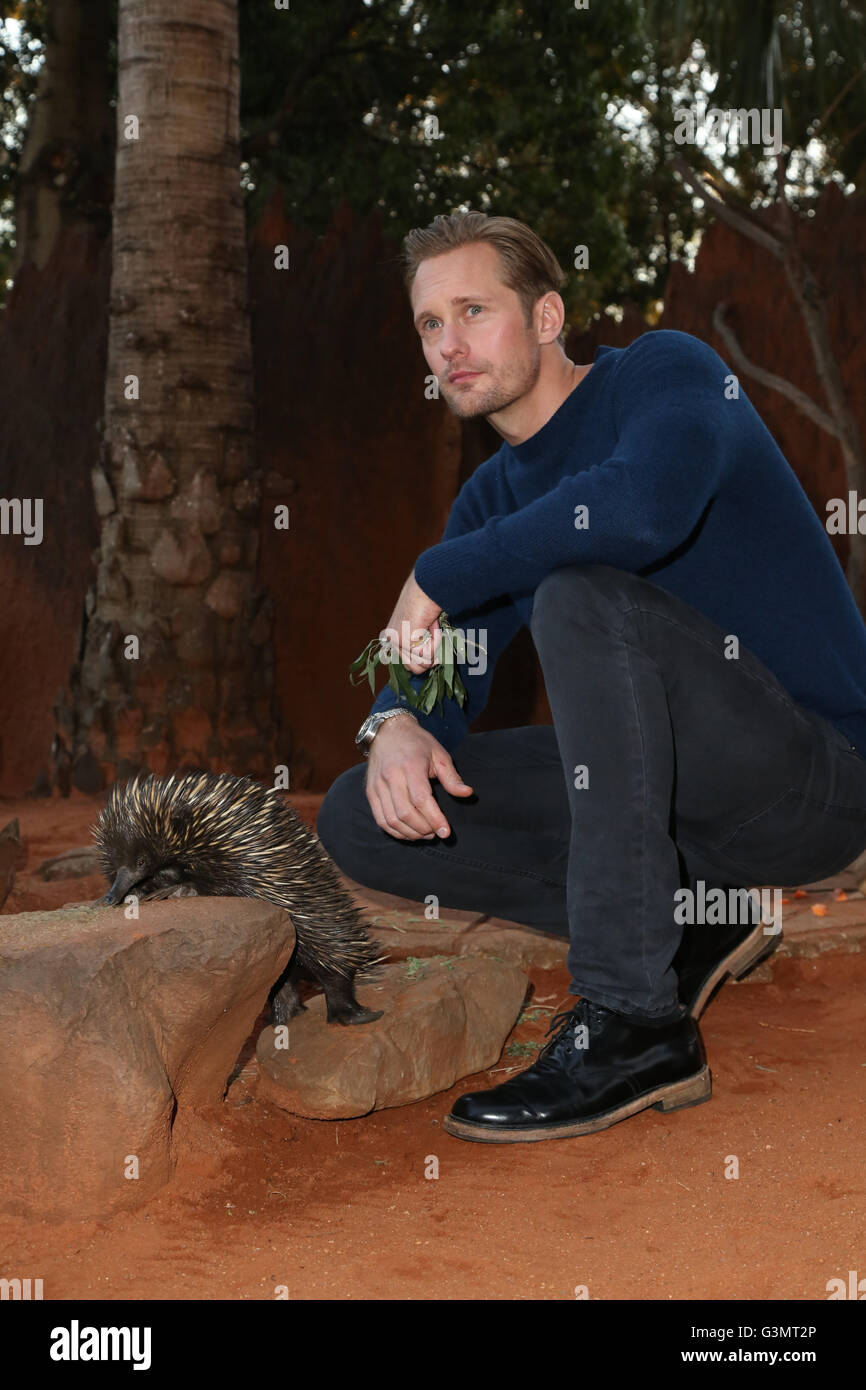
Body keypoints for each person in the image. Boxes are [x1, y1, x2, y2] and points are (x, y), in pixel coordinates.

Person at [317, 210, 866, 1145]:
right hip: (677, 816)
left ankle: (635, 1022)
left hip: (807, 781)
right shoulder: (492, 498)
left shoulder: (666, 374)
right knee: (361, 812)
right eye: (430, 323)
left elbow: (641, 506)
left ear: (546, 317)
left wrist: (440, 572)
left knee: (577, 596)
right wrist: (398, 724)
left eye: (473, 311)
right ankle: (685, 922)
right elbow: (447, 666)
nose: (448, 346)